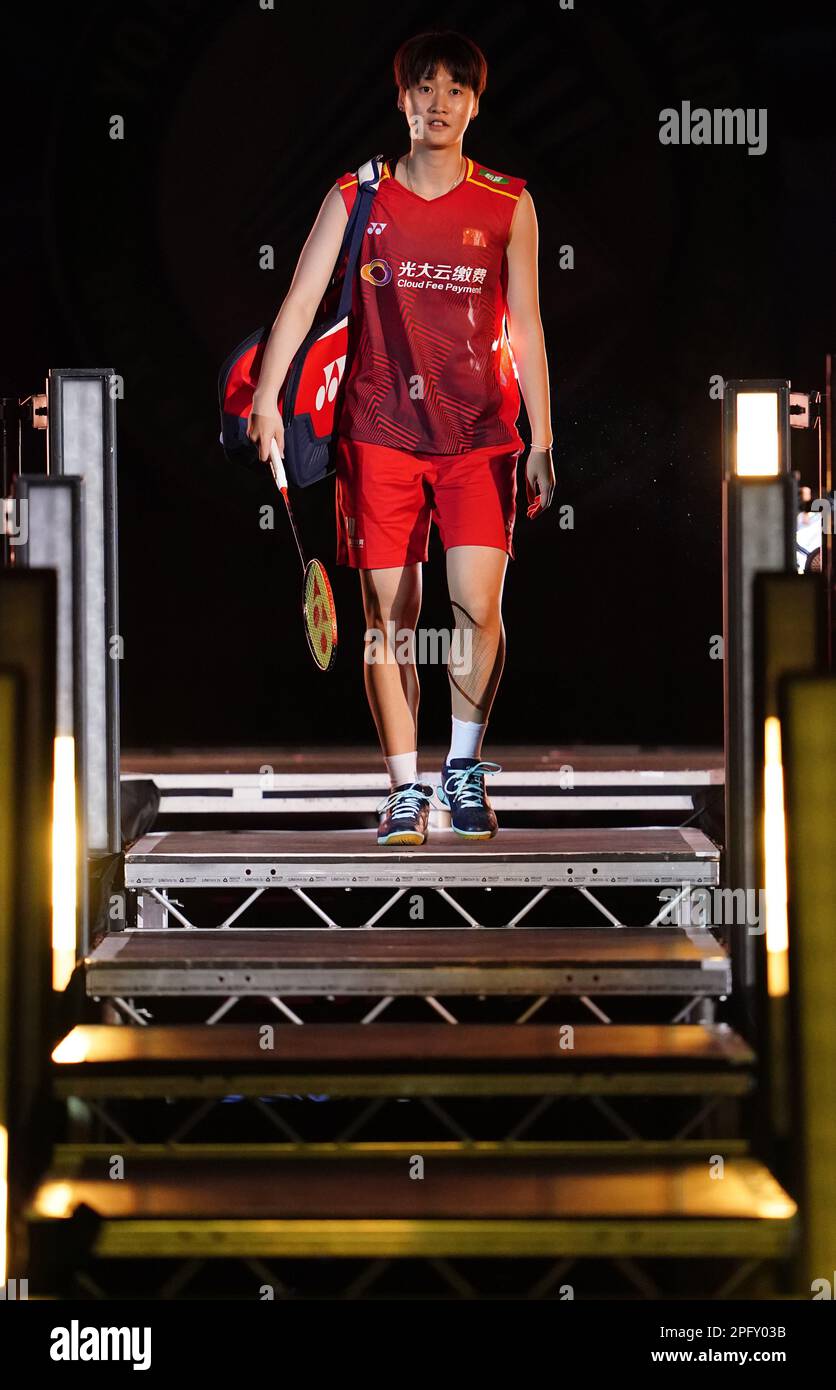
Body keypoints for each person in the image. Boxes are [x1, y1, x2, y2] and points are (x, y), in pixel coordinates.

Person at [247, 29, 554, 846]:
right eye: (425, 88)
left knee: (477, 612)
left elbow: (525, 324)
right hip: (378, 435)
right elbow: (303, 300)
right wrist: (269, 397)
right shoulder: (358, 197)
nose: (439, 102)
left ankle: (462, 771)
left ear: (477, 104)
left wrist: (544, 434)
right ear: (401, 100)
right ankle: (405, 789)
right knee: (390, 616)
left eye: (456, 89)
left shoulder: (508, 202)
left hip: (481, 438)